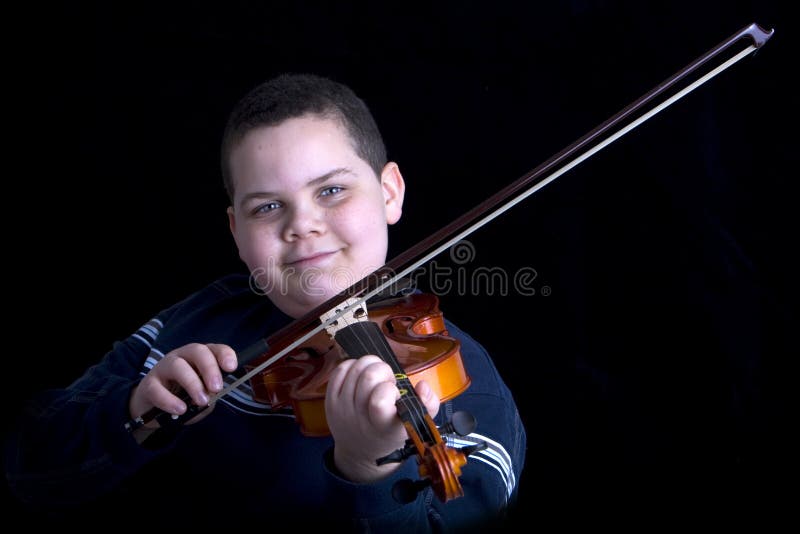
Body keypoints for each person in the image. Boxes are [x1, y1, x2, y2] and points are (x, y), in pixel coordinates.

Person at [5, 73, 526, 531]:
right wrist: (136, 411)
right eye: (268, 206)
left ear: (389, 193)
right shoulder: (195, 323)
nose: (301, 225)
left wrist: (369, 467)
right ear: (236, 230)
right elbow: (32, 466)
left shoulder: (465, 384)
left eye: (331, 191)